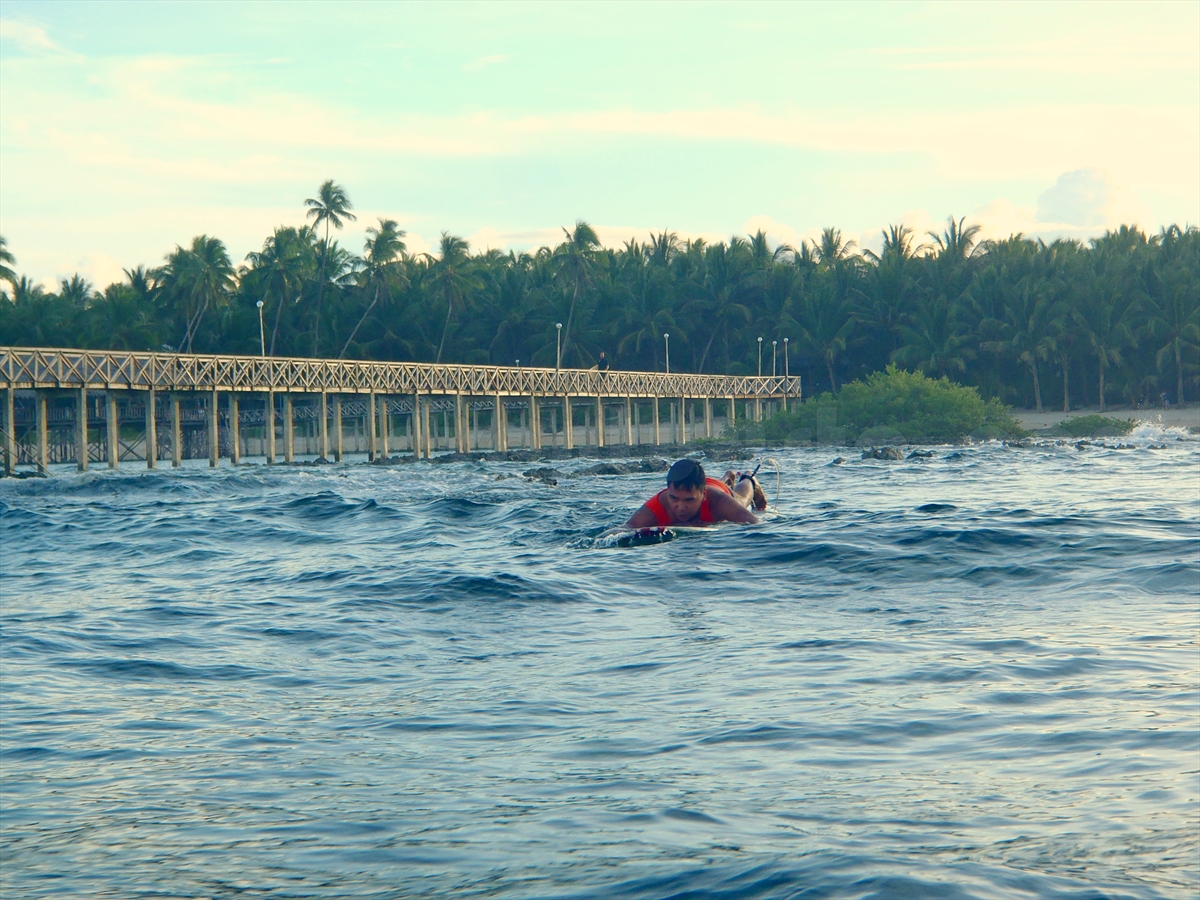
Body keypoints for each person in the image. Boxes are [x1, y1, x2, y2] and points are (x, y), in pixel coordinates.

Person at [626, 458, 765, 528]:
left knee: (741, 500)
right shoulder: (658, 505)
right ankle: (727, 477)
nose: (680, 507)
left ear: (704, 495)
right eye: (674, 498)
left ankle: (749, 477)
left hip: (717, 489)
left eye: (689, 500)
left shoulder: (719, 502)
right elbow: (624, 528)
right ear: (668, 492)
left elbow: (755, 523)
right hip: (701, 485)